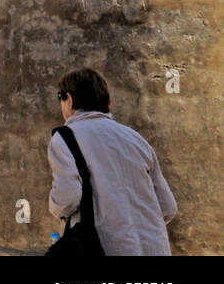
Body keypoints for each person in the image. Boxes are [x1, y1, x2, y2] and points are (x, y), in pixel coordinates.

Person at [48, 67, 176, 255]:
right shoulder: (136, 138)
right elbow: (168, 207)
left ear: (69, 99)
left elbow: (67, 200)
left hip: (106, 248)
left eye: (60, 98)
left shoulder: (65, 137)